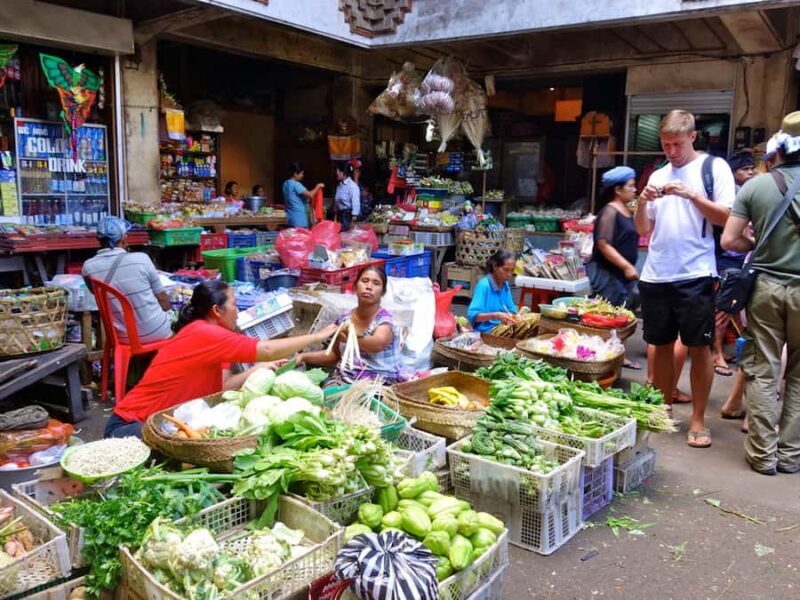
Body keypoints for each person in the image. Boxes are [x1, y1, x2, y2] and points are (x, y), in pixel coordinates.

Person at [104, 280, 337, 438]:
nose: (237, 310)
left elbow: (222, 386)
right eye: (234, 304)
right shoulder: (205, 333)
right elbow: (265, 348)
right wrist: (317, 336)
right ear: (217, 310)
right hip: (130, 426)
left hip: (160, 425)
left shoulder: (214, 339)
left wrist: (259, 369)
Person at [635, 110, 736, 449]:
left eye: (677, 144)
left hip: (695, 272)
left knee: (699, 346)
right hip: (657, 273)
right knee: (660, 344)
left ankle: (697, 418)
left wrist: (692, 195)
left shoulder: (713, 168)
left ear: (693, 137)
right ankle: (663, 407)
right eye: (666, 145)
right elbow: (643, 229)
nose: (672, 152)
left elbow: (727, 217)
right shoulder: (657, 174)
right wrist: (641, 202)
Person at [721, 110, 800, 475]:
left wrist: (758, 240)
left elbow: (730, 239)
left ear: (778, 146)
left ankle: (763, 455)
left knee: (764, 369)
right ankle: (791, 456)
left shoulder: (757, 186)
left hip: (766, 289)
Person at [299, 266, 401, 384]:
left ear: (382, 292)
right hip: (345, 380)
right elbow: (334, 355)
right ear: (355, 286)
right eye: (364, 281)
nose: (369, 287)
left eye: (376, 283)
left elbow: (377, 343)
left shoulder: (384, 320)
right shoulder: (345, 319)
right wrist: (302, 357)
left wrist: (351, 336)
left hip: (378, 384)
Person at [83, 216, 172, 344]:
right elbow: (163, 299)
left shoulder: (88, 267)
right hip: (156, 331)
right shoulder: (142, 259)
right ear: (125, 238)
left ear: (98, 239)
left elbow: (99, 295)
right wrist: (170, 312)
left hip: (121, 338)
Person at [712, 150, 757, 377]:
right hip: (726, 260)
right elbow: (728, 236)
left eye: (752, 168)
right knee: (723, 309)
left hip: (740, 260)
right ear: (732, 173)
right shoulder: (733, 196)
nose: (751, 172)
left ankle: (718, 351)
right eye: (745, 169)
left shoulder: (750, 192)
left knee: (729, 311)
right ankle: (716, 353)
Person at [587, 165, 640, 307]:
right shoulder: (609, 211)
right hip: (608, 275)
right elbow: (603, 244)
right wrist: (627, 267)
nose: (635, 190)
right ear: (618, 190)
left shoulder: (626, 210)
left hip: (621, 276)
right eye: (631, 186)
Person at [468, 250, 519, 333]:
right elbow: (473, 315)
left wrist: (516, 316)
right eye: (505, 270)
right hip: (485, 332)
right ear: (495, 266)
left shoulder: (504, 284)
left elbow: (511, 309)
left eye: (512, 270)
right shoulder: (484, 285)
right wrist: (496, 315)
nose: (509, 274)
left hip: (502, 328)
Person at [283, 162, 324, 228]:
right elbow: (310, 195)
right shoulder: (296, 184)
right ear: (295, 174)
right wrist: (318, 186)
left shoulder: (286, 183)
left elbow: (299, 196)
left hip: (290, 219)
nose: (303, 175)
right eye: (301, 174)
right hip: (299, 220)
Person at [334, 161, 361, 232]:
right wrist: (336, 213)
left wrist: (354, 218)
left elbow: (356, 202)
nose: (337, 173)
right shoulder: (339, 185)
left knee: (346, 236)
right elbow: (337, 200)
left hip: (347, 216)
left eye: (339, 171)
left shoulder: (352, 186)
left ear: (344, 173)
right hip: (340, 215)